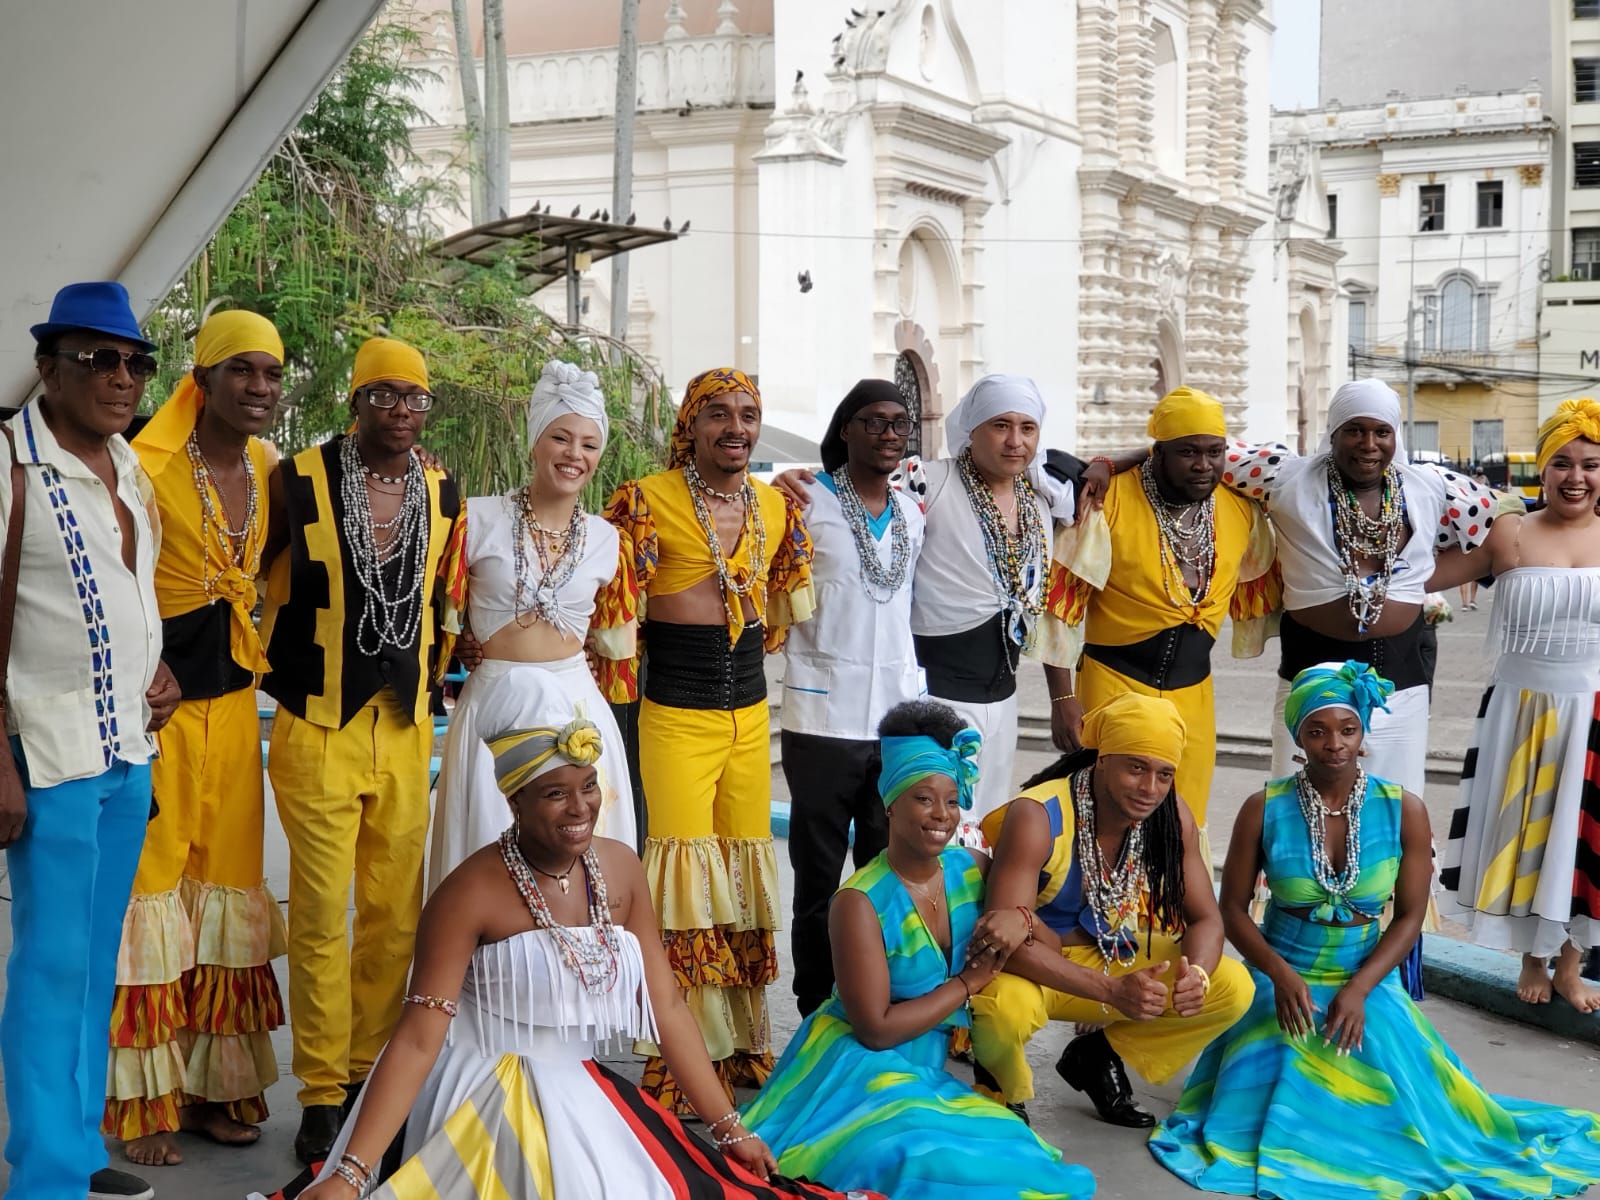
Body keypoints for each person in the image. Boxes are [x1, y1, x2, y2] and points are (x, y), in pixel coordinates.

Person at [288, 690, 876, 1200]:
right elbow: (417, 1040)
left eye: (588, 786)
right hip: (481, 1094)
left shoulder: (620, 870)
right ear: (514, 801)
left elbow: (667, 1006)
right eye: (554, 794)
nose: (580, 809)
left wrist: (728, 1128)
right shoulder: (466, 894)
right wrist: (353, 1172)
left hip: (580, 1083)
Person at [1150, 661, 1600, 1199]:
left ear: (1363, 734)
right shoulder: (1262, 808)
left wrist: (1361, 989)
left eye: (1347, 729)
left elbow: (1409, 915)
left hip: (1364, 975)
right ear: (1298, 736)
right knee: (1284, 1066)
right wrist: (1278, 974)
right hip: (1280, 973)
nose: (1334, 744)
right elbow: (1234, 910)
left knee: (1403, 1094)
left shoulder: (1403, 809)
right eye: (1317, 731)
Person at [741, 699, 1095, 1200]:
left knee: (1014, 1152)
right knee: (917, 1157)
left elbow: (1050, 946)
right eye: (923, 799)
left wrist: (1021, 917)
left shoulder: (971, 868)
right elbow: (877, 1030)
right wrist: (969, 983)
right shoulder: (859, 902)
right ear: (889, 802)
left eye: (952, 801)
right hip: (855, 1065)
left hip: (923, 1066)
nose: (941, 815)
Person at [260, 336, 462, 1164]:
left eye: (416, 397)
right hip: (318, 723)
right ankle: (316, 1089)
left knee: (392, 915)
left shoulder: (442, 489)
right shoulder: (298, 480)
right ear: (355, 399)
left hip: (408, 726)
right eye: (385, 395)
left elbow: (454, 593)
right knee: (317, 915)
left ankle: (368, 1075)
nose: (403, 411)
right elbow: (242, 578)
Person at [2, 281, 181, 1200]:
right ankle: (42, 1177)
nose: (121, 377)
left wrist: (158, 668)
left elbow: (126, 596)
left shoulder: (129, 466)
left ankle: (74, 1150)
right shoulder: (11, 466)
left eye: (136, 361)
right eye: (98, 358)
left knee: (93, 959)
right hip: (49, 753)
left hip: (125, 751)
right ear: (49, 368)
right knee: (50, 962)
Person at [603, 368, 816, 1111]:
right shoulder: (642, 502)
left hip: (751, 717)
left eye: (748, 414)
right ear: (690, 424)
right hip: (676, 712)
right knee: (684, 886)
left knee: (744, 877)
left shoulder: (773, 505)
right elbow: (612, 612)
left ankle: (741, 1044)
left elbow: (781, 614)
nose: (736, 427)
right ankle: (681, 1055)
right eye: (718, 414)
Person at [106, 311, 289, 1167]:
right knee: (156, 896)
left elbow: (284, 573)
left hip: (236, 705)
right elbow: (113, 582)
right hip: (162, 713)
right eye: (243, 372)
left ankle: (217, 1093)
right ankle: (141, 1107)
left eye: (273, 375)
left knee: (228, 895)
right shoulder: (142, 465)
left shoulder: (269, 470)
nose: (260, 389)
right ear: (203, 378)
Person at [774, 374, 1078, 825]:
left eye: (1027, 428)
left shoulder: (1044, 498)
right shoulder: (926, 482)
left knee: (988, 827)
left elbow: (1053, 607)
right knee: (935, 831)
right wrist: (793, 482)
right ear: (971, 429)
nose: (1015, 441)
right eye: (1000, 426)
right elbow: (859, 488)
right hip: (937, 695)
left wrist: (1061, 697)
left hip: (1004, 698)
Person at [969, 692, 1253, 1128]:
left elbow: (1206, 918)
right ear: (1101, 760)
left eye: (1164, 774)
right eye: (1136, 767)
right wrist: (1110, 991)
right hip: (1032, 967)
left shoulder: (1171, 816)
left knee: (1230, 985)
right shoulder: (1039, 815)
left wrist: (1195, 974)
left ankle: (1099, 1057)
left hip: (1110, 957)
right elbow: (1005, 941)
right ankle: (1001, 1089)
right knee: (1002, 1009)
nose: (1149, 789)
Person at [428, 359, 637, 891]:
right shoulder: (476, 519)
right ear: (534, 441)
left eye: (589, 444)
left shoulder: (607, 540)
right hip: (495, 707)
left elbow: (616, 648)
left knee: (580, 866)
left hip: (577, 708)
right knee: (483, 857)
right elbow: (440, 618)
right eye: (561, 438)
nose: (574, 455)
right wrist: (461, 651)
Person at [1429, 398, 1600, 1012]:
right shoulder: (1512, 531)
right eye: (1562, 463)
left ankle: (1571, 964)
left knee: (1583, 840)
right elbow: (1431, 573)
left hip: (1594, 708)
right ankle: (1532, 957)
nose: (1575, 477)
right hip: (1519, 707)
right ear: (1542, 470)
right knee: (1526, 831)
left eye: (1590, 464)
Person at [1049, 386, 1278, 835]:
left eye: (1214, 451)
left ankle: (1170, 909)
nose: (1203, 464)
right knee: (1104, 824)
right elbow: (1061, 607)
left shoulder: (1240, 506)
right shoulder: (1105, 500)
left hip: (1194, 698)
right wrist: (1061, 699)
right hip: (1112, 687)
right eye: (1188, 452)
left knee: (1183, 827)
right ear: (1158, 454)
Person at [779, 379, 927, 1016]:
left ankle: (873, 1000)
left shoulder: (913, 512)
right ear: (846, 429)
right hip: (821, 716)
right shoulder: (804, 499)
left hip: (893, 718)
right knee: (817, 873)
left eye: (899, 423)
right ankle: (814, 1000)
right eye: (873, 422)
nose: (889, 434)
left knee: (882, 869)